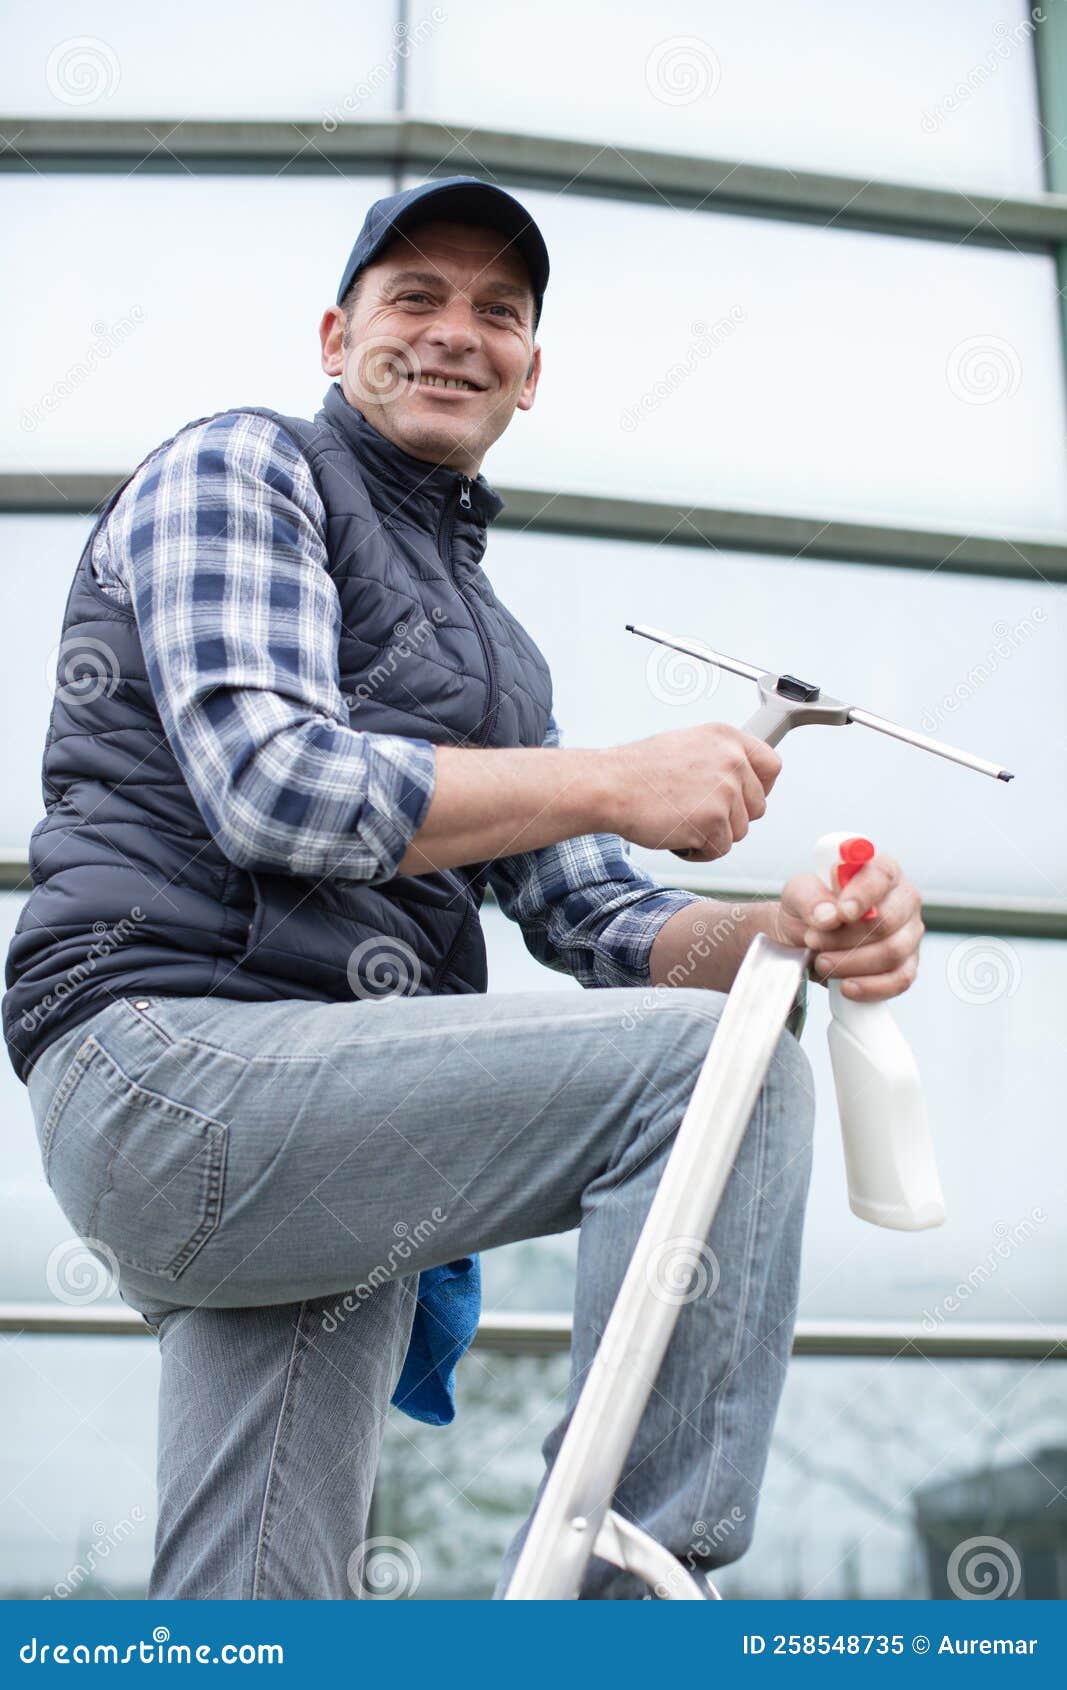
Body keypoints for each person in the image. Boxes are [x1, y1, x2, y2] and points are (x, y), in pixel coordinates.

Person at [4, 176, 924, 1600]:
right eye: (414, 298)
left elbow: (610, 922)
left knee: (259, 1603)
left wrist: (786, 934)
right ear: (334, 335)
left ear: (532, 373)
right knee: (718, 1078)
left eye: (499, 311)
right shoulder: (239, 469)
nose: (456, 332)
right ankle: (621, 1598)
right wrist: (618, 777)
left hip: (322, 1130)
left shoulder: (496, 654)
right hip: (171, 1068)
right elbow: (274, 786)